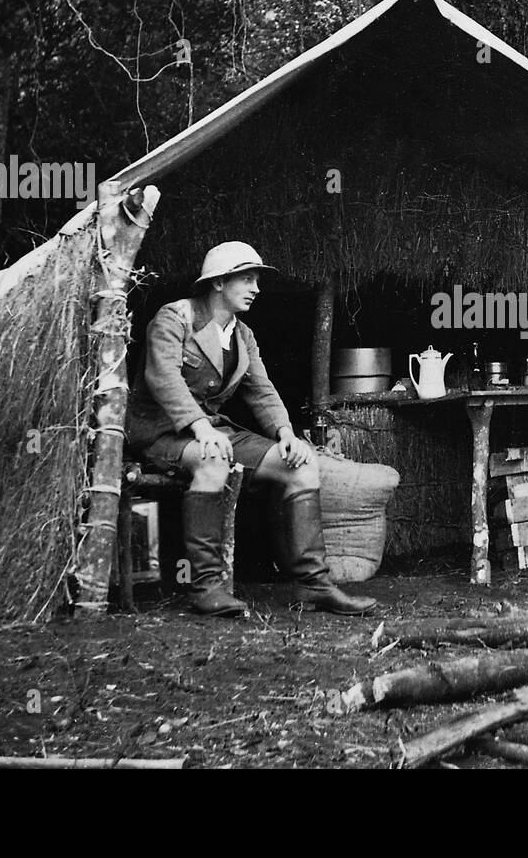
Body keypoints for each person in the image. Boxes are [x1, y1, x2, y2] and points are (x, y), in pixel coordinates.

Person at [126, 241, 377, 617]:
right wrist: (198, 426)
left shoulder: (243, 335)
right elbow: (163, 378)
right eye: (246, 279)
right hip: (159, 432)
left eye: (256, 280)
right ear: (217, 283)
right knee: (214, 460)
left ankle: (315, 585)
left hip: (209, 430)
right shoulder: (174, 318)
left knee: (301, 464)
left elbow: (262, 390)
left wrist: (287, 434)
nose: (256, 288)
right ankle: (207, 587)